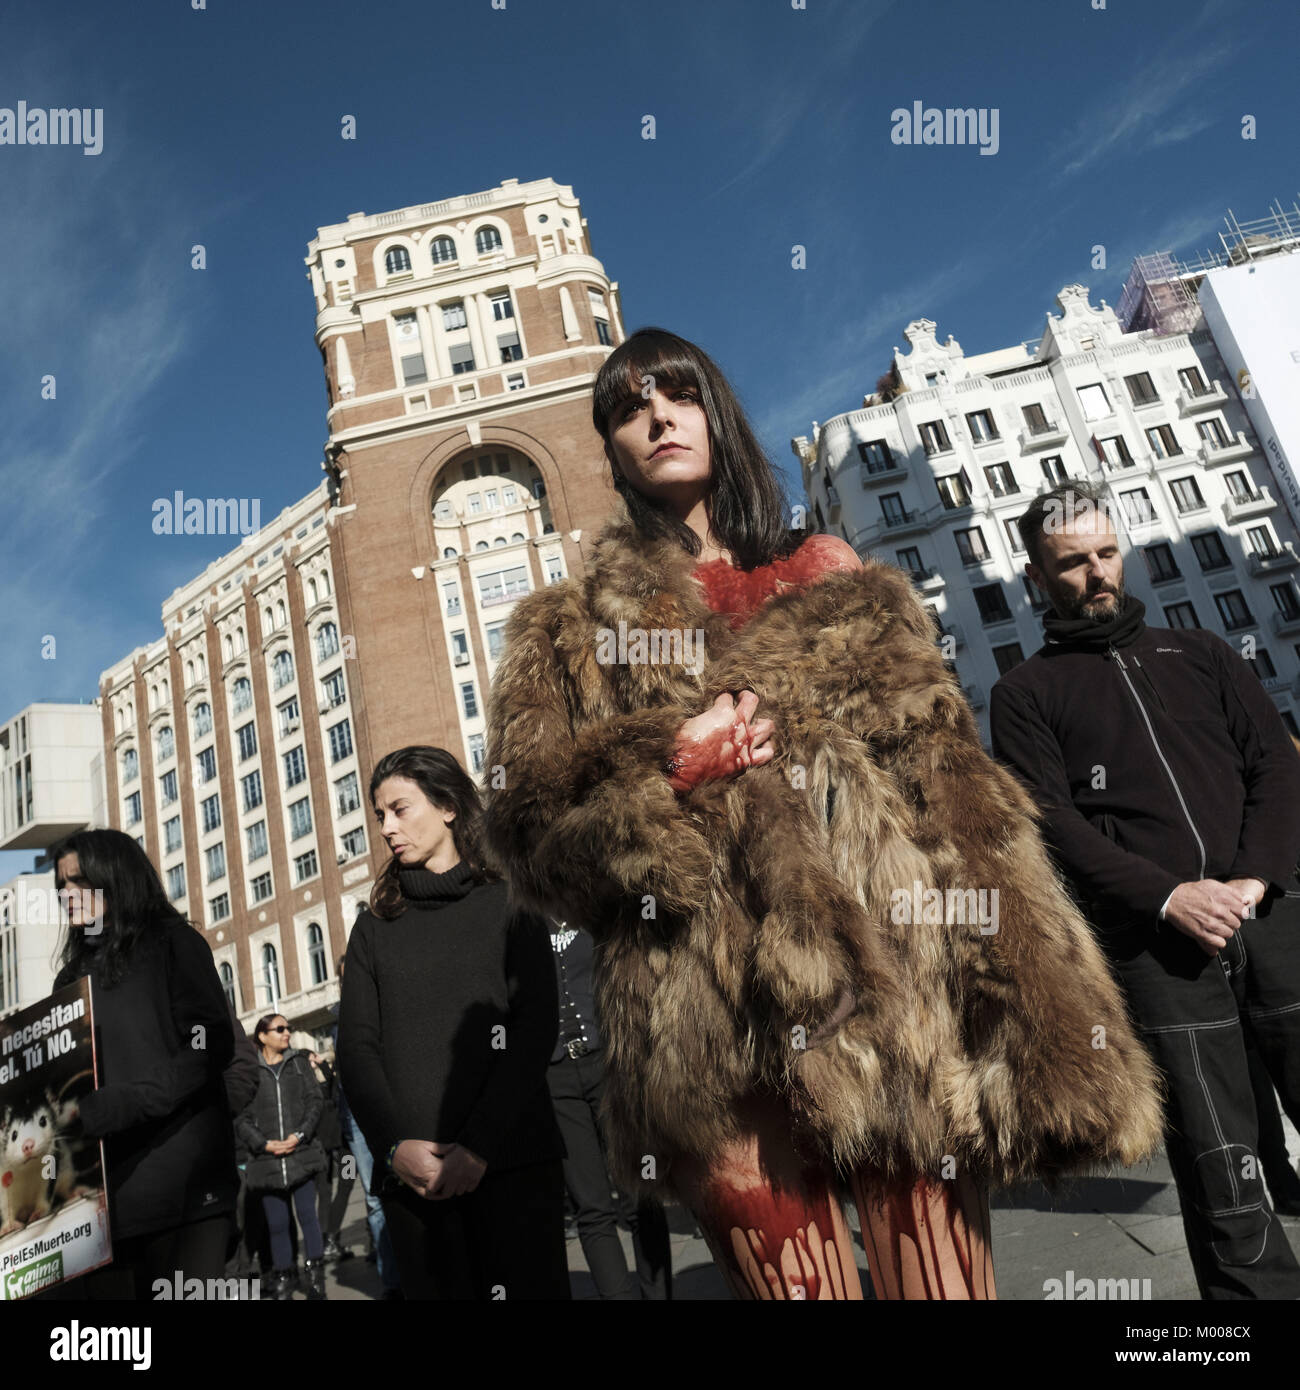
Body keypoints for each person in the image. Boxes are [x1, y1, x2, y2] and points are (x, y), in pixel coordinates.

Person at [481, 327, 1165, 1300]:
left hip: (893, 1001)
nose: (657, 418)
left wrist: (1043, 1004)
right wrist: (665, 767)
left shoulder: (835, 577)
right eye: (629, 409)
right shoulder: (571, 628)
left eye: (675, 393)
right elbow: (522, 823)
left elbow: (955, 790)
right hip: (705, 1024)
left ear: (715, 408)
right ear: (613, 445)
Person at [989, 478, 1300, 1299]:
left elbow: (1274, 763)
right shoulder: (1024, 694)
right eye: (1072, 563)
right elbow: (1053, 823)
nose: (1096, 574)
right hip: (1159, 954)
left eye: (1105, 553)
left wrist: (1252, 878)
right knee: (1219, 1163)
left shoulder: (1200, 652)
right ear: (1036, 578)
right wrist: (1170, 898)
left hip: (1273, 919)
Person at [337, 747, 570, 1301]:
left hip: (514, 1167)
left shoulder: (512, 900)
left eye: (399, 809)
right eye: (379, 817)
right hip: (415, 1189)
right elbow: (356, 1051)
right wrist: (394, 1149)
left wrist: (479, 1146)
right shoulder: (373, 928)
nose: (387, 828)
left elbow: (535, 1027)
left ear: (446, 806)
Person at [44, 829, 237, 1300]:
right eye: (60, 887)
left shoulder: (175, 944)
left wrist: (124, 1103)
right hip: (99, 1212)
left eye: (78, 882)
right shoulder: (68, 980)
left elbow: (209, 1044)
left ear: (116, 879)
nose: (67, 896)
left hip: (186, 1196)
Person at [545, 913, 672, 1298]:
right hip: (555, 1077)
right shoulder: (523, 920)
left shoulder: (593, 909)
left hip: (610, 1067)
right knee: (592, 1207)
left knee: (641, 1194)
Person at [237, 1014, 329, 1299]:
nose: (287, 1033)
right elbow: (241, 1116)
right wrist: (264, 1144)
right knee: (277, 1224)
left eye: (288, 1028)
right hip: (267, 1161)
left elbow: (315, 1101)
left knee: (307, 1216)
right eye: (280, 1029)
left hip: (301, 1153)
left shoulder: (299, 1063)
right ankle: (285, 1276)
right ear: (262, 1036)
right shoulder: (251, 1071)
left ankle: (316, 1277)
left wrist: (299, 1135)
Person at [330, 955, 401, 1297]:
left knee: (405, 1188)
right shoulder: (338, 1022)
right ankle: (392, 1282)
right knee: (374, 1200)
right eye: (344, 979)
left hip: (392, 1109)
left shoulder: (386, 1005)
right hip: (356, 1121)